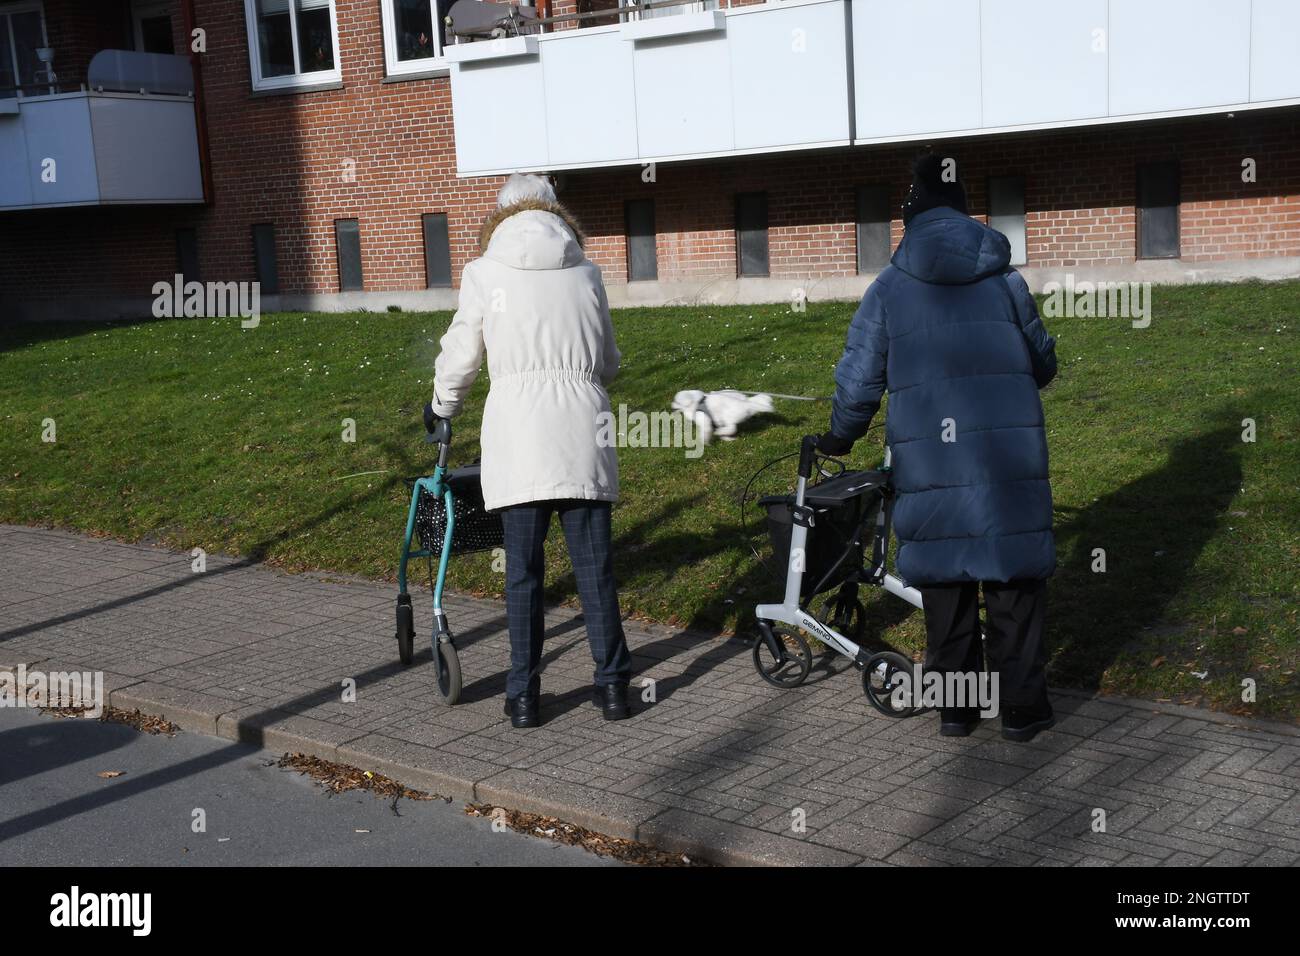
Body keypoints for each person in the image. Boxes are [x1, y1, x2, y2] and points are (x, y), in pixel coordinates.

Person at [819, 153, 1059, 742]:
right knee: (1012, 589)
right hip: (1007, 466)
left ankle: (958, 709)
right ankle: (1023, 712)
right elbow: (1043, 363)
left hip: (931, 465)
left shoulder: (889, 288)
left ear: (913, 209)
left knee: (946, 591)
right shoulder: (1005, 278)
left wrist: (839, 436)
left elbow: (858, 381)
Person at [426, 173, 633, 729]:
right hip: (585, 434)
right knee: (596, 571)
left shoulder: (483, 273)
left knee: (523, 575)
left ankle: (523, 698)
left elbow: (462, 354)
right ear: (554, 211)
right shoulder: (586, 272)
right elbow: (609, 361)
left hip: (520, 441)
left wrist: (442, 406)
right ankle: (614, 689)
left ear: (501, 216)